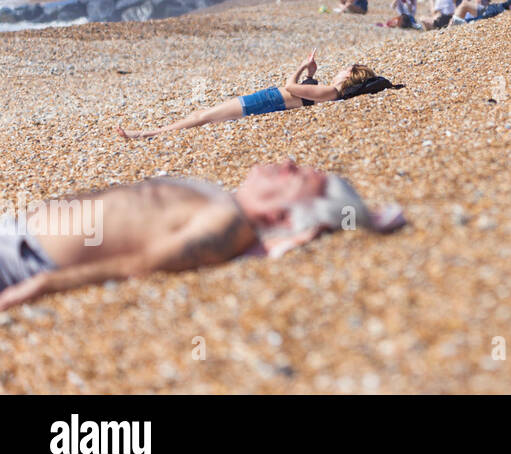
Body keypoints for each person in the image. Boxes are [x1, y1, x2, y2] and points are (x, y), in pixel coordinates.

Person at [0, 158, 405, 310]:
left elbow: (138, 266)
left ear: (282, 214)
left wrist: (40, 286)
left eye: (297, 176)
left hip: (22, 259)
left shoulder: (228, 226)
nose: (288, 162)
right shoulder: (221, 201)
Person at [116, 51, 389, 139]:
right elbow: (306, 96)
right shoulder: (329, 93)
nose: (341, 69)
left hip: (267, 100)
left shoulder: (332, 91)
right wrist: (311, 74)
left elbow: (291, 87)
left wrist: (302, 67)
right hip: (269, 100)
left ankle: (147, 134)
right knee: (204, 116)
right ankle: (151, 132)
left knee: (204, 116)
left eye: (346, 68)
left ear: (350, 75)